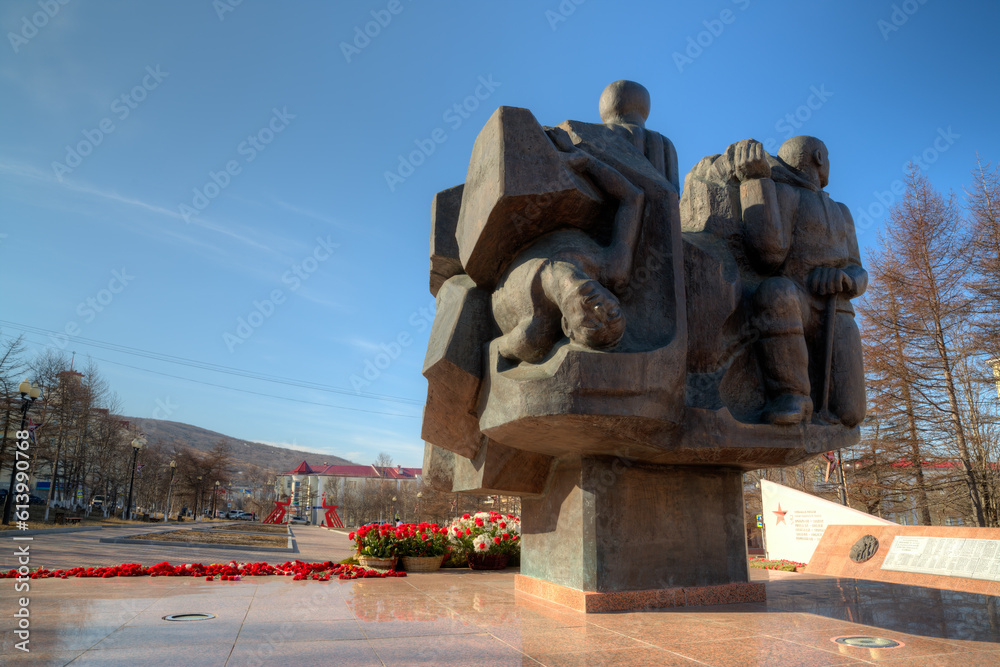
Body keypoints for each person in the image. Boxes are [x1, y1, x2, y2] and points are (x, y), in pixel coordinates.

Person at [733, 136, 867, 426]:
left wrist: (845, 278)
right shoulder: (784, 194)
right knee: (775, 292)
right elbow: (768, 254)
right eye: (829, 157)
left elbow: (859, 270)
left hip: (837, 310)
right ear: (819, 157)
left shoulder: (842, 212)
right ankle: (792, 395)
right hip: (797, 299)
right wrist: (755, 183)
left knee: (850, 414)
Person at [491, 133, 644, 363]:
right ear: (614, 297)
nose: (599, 310)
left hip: (499, 238)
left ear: (566, 327)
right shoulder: (612, 268)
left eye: (591, 323)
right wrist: (588, 163)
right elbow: (633, 198)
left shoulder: (531, 334)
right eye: (612, 313)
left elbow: (496, 350)